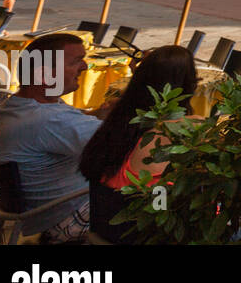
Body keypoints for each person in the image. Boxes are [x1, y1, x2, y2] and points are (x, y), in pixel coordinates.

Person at [0, 34, 101, 242]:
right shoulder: (50, 120)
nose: (85, 67)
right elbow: (121, 144)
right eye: (76, 61)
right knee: (162, 198)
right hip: (69, 218)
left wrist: (101, 113)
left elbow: (70, 126)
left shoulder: (19, 107)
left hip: (49, 214)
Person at [79, 46, 199, 244]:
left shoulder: (118, 118)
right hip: (147, 235)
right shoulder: (191, 127)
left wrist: (144, 77)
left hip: (104, 231)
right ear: (190, 84)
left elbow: (141, 97)